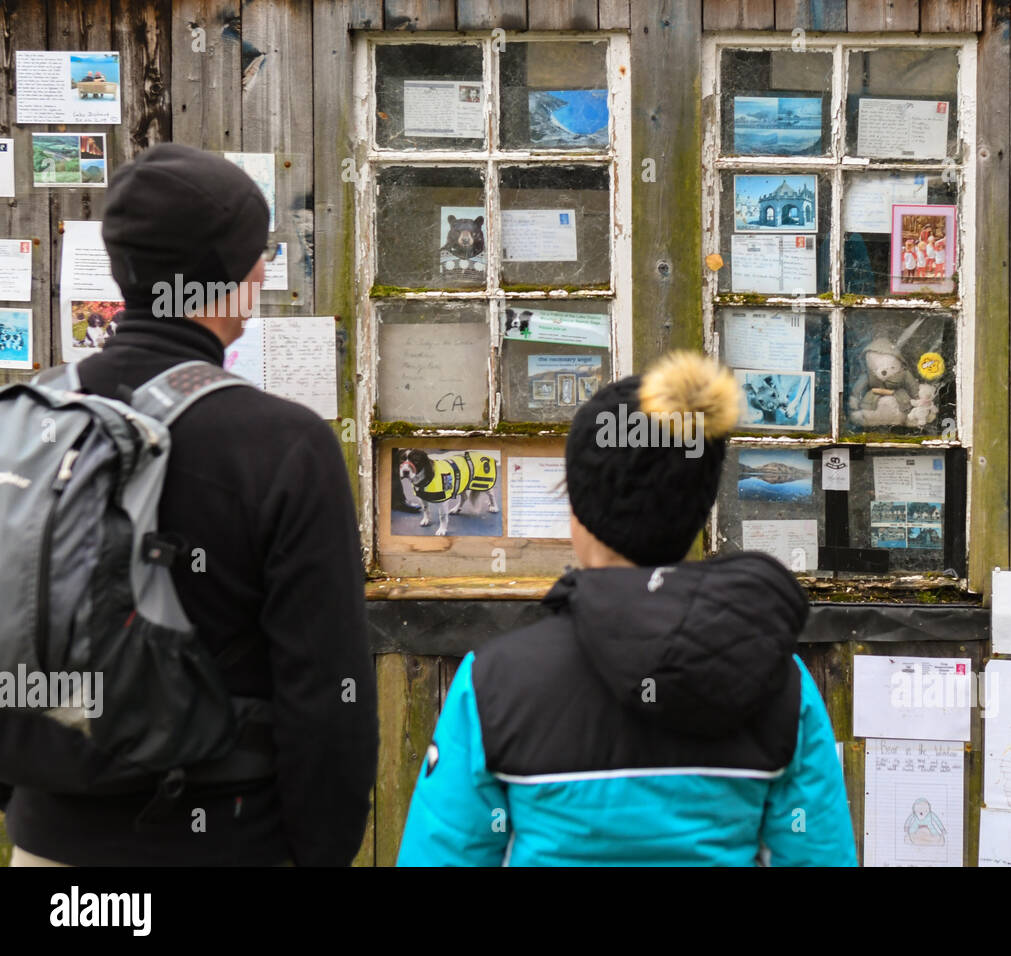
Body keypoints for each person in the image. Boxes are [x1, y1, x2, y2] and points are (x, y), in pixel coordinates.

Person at [2, 143, 377, 866]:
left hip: (50, 849)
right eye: (256, 252)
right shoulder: (286, 445)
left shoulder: (27, 421)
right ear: (236, 278)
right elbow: (329, 700)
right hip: (226, 840)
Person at [398, 351, 857, 866]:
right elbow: (819, 854)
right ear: (701, 510)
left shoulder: (493, 683)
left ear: (577, 510)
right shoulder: (779, 678)